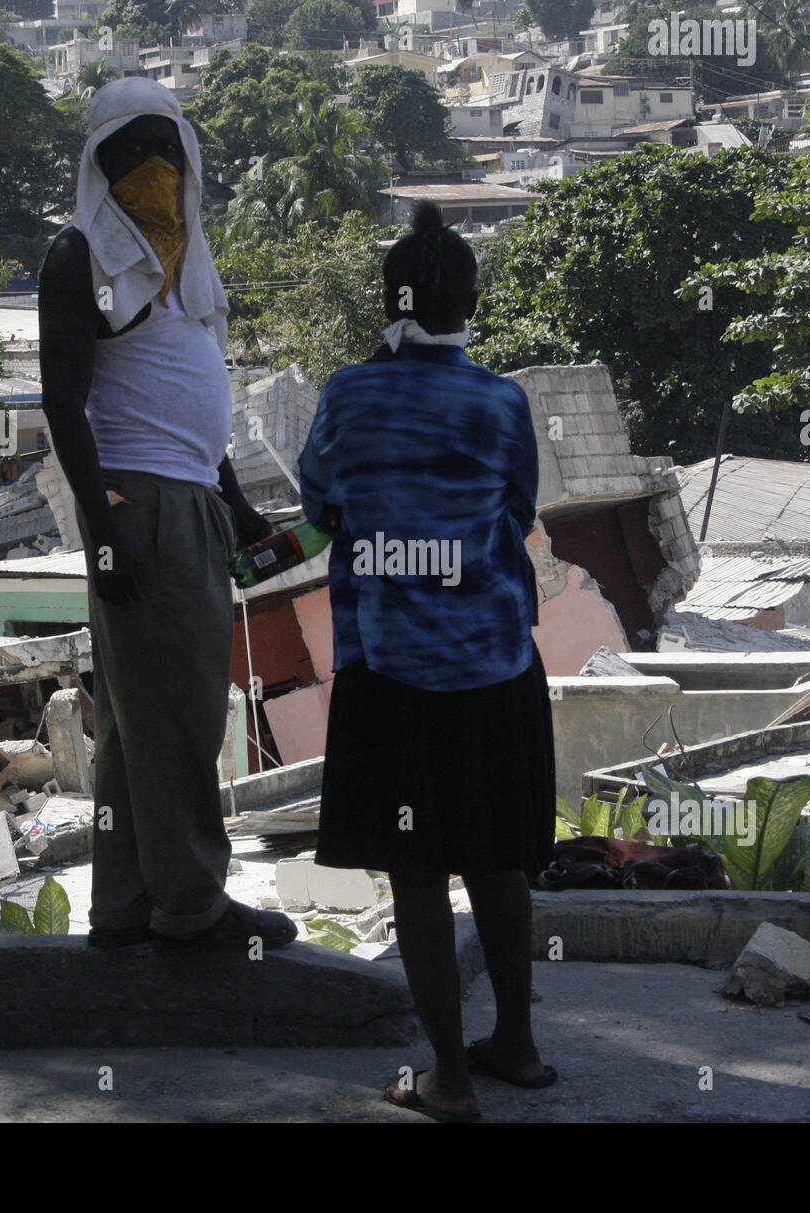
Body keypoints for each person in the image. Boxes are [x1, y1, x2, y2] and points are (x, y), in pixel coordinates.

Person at [298, 201, 557, 1122]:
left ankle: (448, 1077)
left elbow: (320, 506)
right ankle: (516, 1045)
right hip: (494, 668)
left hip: (390, 673)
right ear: (469, 306)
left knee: (417, 869)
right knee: (496, 859)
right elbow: (519, 514)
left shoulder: (348, 395)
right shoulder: (501, 401)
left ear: (390, 300)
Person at [38, 77, 296, 951]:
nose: (148, 165)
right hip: (137, 506)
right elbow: (65, 405)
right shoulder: (80, 254)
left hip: (191, 499)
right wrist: (103, 530)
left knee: (137, 723)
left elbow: (186, 395)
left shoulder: (186, 257)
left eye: (162, 145)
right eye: (128, 149)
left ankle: (125, 908)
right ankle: (195, 908)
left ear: (185, 154)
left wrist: (231, 497)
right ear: (98, 161)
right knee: (182, 715)